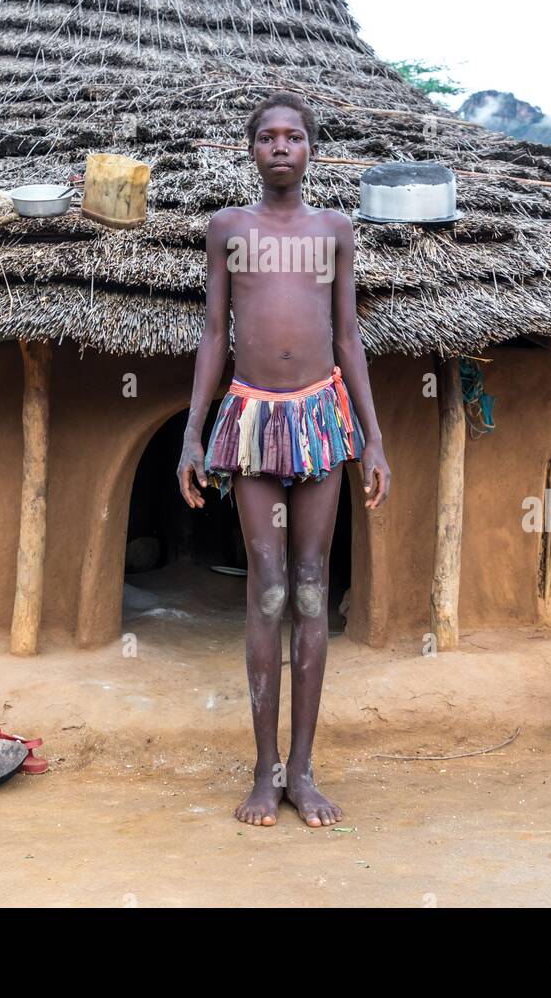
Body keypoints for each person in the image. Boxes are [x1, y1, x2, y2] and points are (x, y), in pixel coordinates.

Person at [177, 91, 390, 827]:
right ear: (250, 151)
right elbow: (212, 333)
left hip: (320, 421)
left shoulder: (334, 230)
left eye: (292, 137)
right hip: (252, 418)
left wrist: (374, 439)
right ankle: (265, 771)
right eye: (265, 137)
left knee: (308, 586)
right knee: (266, 587)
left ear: (310, 151)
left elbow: (349, 338)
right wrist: (191, 434)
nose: (278, 146)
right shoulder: (226, 230)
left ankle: (302, 772)